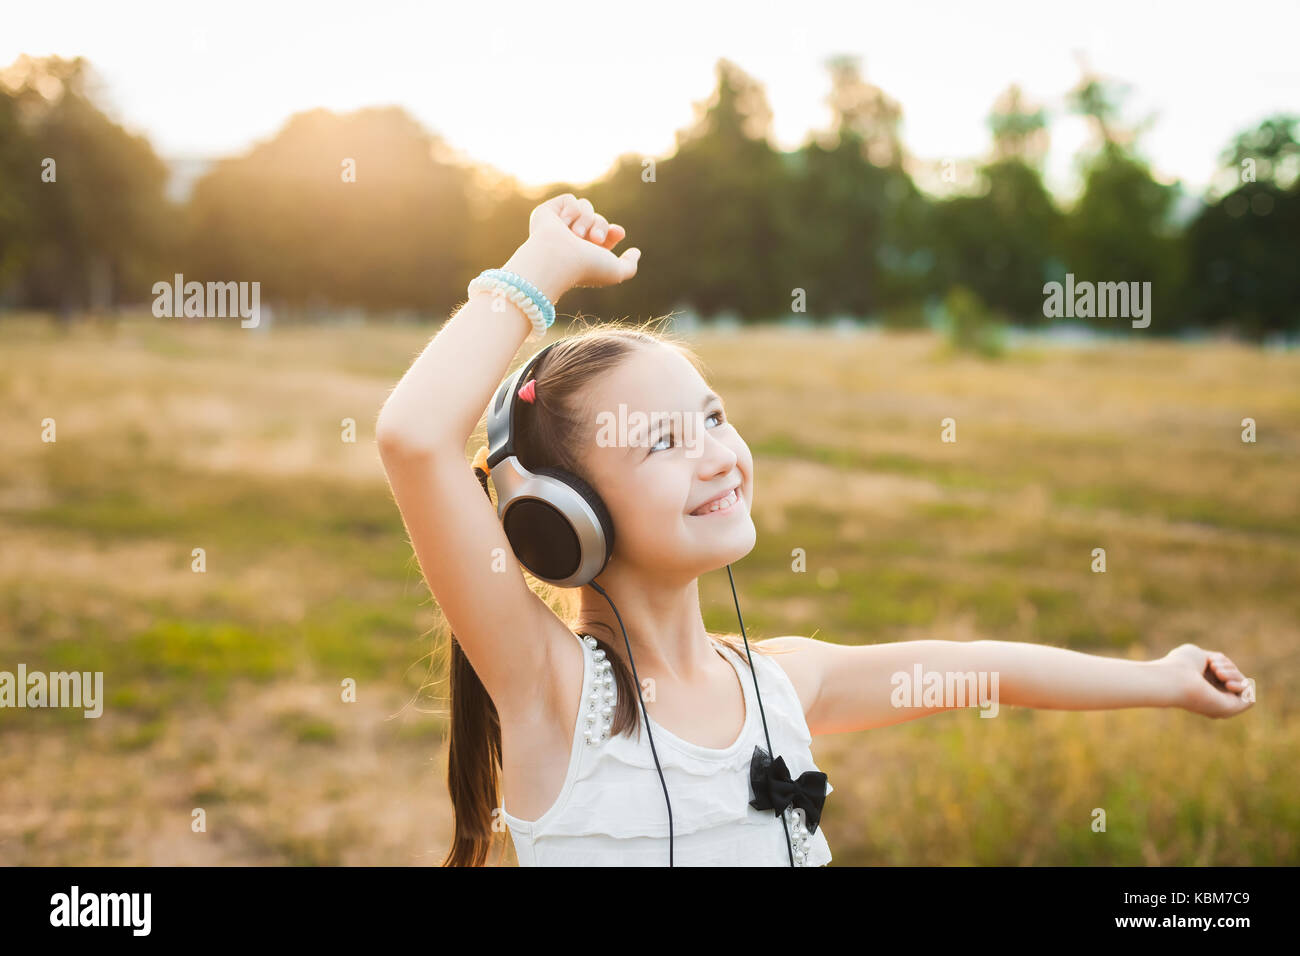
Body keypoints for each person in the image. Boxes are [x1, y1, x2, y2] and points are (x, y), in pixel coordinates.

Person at [375, 194, 1255, 867]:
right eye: (665, 442)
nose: (718, 454)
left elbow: (988, 669)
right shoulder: (555, 694)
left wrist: (1163, 678)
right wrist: (538, 268)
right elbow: (416, 439)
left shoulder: (781, 686)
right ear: (561, 518)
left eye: (714, 417)